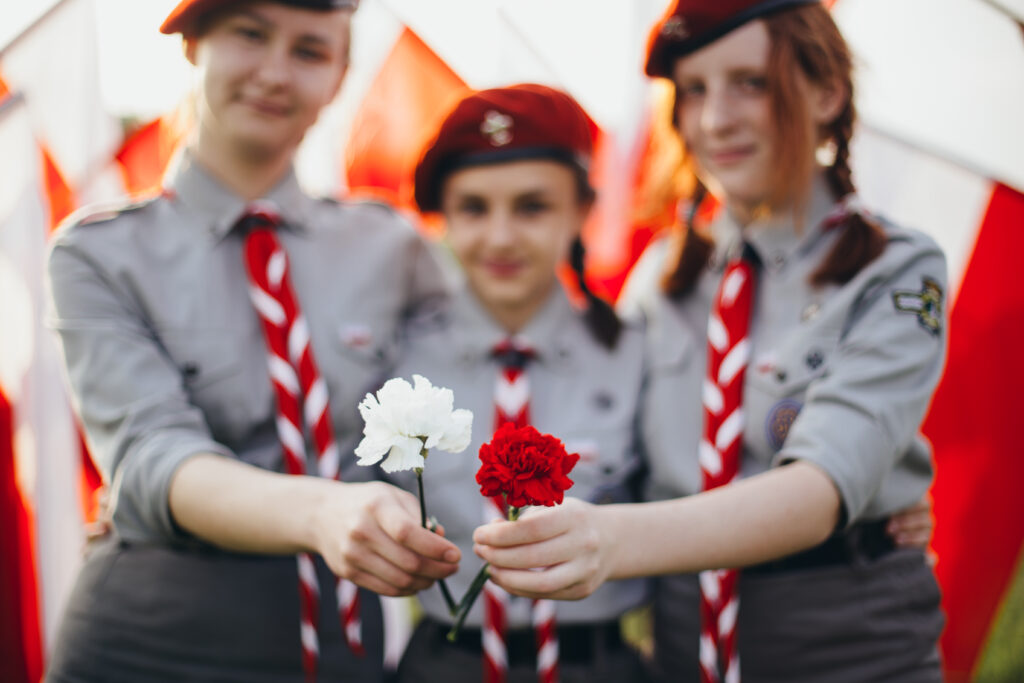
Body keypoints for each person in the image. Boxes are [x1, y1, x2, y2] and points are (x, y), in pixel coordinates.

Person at [473, 2, 946, 681]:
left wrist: (613, 539)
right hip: (679, 639)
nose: (715, 119)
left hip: (846, 640)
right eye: (693, 91)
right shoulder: (662, 278)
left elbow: (815, 494)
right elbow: (605, 445)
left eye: (749, 82)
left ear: (826, 92)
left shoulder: (895, 269)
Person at [43, 1, 460, 681]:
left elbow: (444, 431)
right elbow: (151, 455)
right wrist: (324, 508)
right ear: (191, 46)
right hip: (147, 647)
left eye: (310, 50)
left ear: (341, 74)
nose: (274, 73)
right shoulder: (98, 252)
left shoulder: (394, 246)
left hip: (341, 649)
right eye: (249, 35)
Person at [384, 84, 652, 683]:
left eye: (532, 207)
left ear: (581, 210)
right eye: (474, 208)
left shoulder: (637, 351)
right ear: (444, 217)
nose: (501, 237)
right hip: (447, 660)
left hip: (596, 663)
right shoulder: (397, 357)